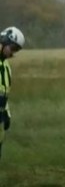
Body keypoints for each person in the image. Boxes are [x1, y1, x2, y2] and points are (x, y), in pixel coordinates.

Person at [0, 26, 25, 162]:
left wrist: (7, 114)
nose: (13, 53)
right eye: (13, 48)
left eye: (16, 50)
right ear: (4, 40)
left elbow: (4, 93)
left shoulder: (7, 67)